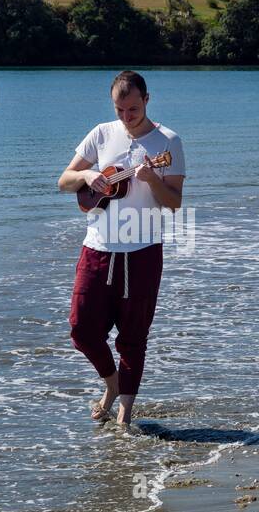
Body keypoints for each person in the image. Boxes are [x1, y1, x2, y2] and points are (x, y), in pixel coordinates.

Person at [56, 71, 186, 429]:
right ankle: (111, 385)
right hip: (96, 249)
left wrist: (151, 179)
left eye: (132, 108)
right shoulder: (101, 133)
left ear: (147, 99)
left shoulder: (168, 143)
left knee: (133, 337)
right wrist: (86, 177)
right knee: (81, 329)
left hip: (142, 252)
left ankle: (125, 414)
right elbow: (63, 181)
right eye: (119, 109)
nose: (126, 116)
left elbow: (174, 202)